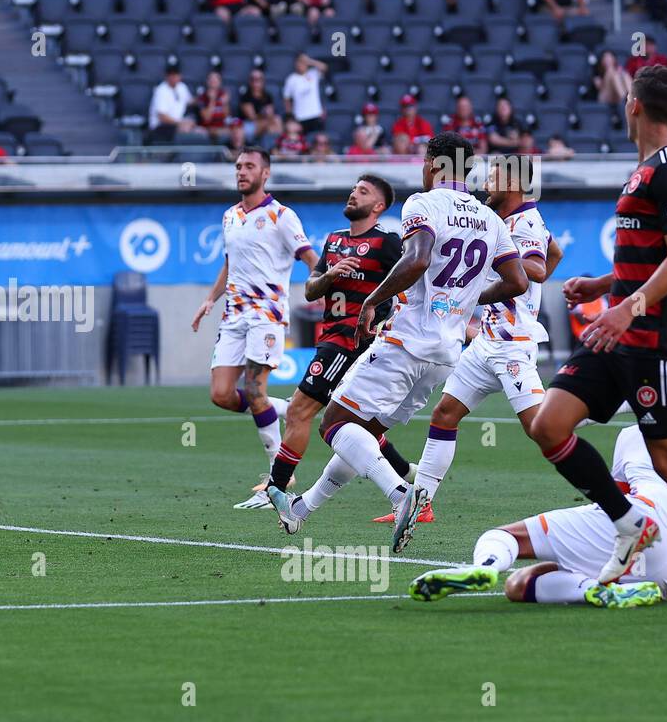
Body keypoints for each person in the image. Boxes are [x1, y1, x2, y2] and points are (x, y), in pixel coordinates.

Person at [267, 132, 527, 553]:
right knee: (365, 431)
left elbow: (419, 258)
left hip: (407, 341)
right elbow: (516, 281)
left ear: (433, 164)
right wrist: (465, 299)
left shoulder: (423, 204)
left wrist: (373, 299)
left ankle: (402, 495)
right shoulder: (490, 219)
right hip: (446, 354)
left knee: (335, 424)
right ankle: (301, 509)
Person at [529, 65, 667, 583]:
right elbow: (651, 257)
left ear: (634, 106)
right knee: (548, 423)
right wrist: (605, 287)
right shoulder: (644, 170)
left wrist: (626, 307)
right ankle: (629, 524)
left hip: (654, 343)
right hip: (615, 337)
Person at [238, 175, 414, 510]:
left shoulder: (387, 243)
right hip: (330, 336)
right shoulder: (334, 240)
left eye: (363, 192)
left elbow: (409, 283)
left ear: (378, 206)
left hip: (349, 342)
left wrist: (380, 316)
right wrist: (330, 276)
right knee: (352, 423)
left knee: (300, 410)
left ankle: (276, 488)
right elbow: (310, 289)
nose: (353, 194)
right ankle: (410, 477)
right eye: (353, 188)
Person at [403, 155, 563, 522]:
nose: (484, 184)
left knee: (543, 429)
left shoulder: (526, 222)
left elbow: (537, 267)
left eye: (491, 177)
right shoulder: (506, 220)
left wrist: (505, 269)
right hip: (485, 343)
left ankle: (597, 416)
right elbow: (555, 252)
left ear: (511, 183)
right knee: (444, 414)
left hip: (511, 344)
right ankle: (420, 505)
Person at [410, 427, 667, 608]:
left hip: (646, 518)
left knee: (505, 537)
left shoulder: (634, 433)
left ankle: (487, 565)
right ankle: (597, 590)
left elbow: (616, 506)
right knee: (518, 585)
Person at [191, 147, 316, 485]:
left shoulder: (281, 216)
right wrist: (210, 299)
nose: (242, 172)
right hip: (233, 316)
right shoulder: (230, 215)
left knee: (254, 389)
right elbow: (230, 264)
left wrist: (327, 289)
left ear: (265, 174)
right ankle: (289, 409)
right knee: (220, 394)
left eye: (249, 166)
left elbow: (310, 259)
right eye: (238, 167)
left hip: (266, 316)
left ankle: (279, 476)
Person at [147, 65, 195, 144]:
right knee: (186, 130)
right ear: (167, 77)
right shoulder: (161, 91)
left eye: (176, 75)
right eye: (171, 75)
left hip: (177, 124)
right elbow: (162, 117)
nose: (174, 78)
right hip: (160, 127)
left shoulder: (182, 87)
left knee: (199, 130)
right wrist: (181, 123)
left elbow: (191, 101)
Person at [283, 53, 327, 134]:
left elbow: (324, 67)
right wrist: (290, 118)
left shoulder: (313, 74)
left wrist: (310, 61)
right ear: (295, 63)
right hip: (299, 117)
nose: (301, 64)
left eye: (303, 62)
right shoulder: (291, 79)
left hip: (316, 115)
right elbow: (286, 99)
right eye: (299, 62)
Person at [238, 68, 280, 141]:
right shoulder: (246, 96)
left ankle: (279, 146)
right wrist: (266, 116)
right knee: (271, 124)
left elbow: (271, 114)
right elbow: (252, 117)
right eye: (253, 79)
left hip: (263, 124)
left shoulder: (267, 96)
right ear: (250, 81)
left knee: (275, 122)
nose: (255, 82)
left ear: (263, 81)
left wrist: (268, 117)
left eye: (258, 79)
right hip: (248, 125)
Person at [191, 71, 231, 139]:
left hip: (220, 128)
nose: (213, 81)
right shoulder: (202, 97)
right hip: (206, 128)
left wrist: (225, 103)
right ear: (207, 81)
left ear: (220, 82)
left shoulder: (223, 95)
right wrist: (212, 101)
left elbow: (226, 116)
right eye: (211, 79)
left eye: (216, 79)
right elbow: (206, 118)